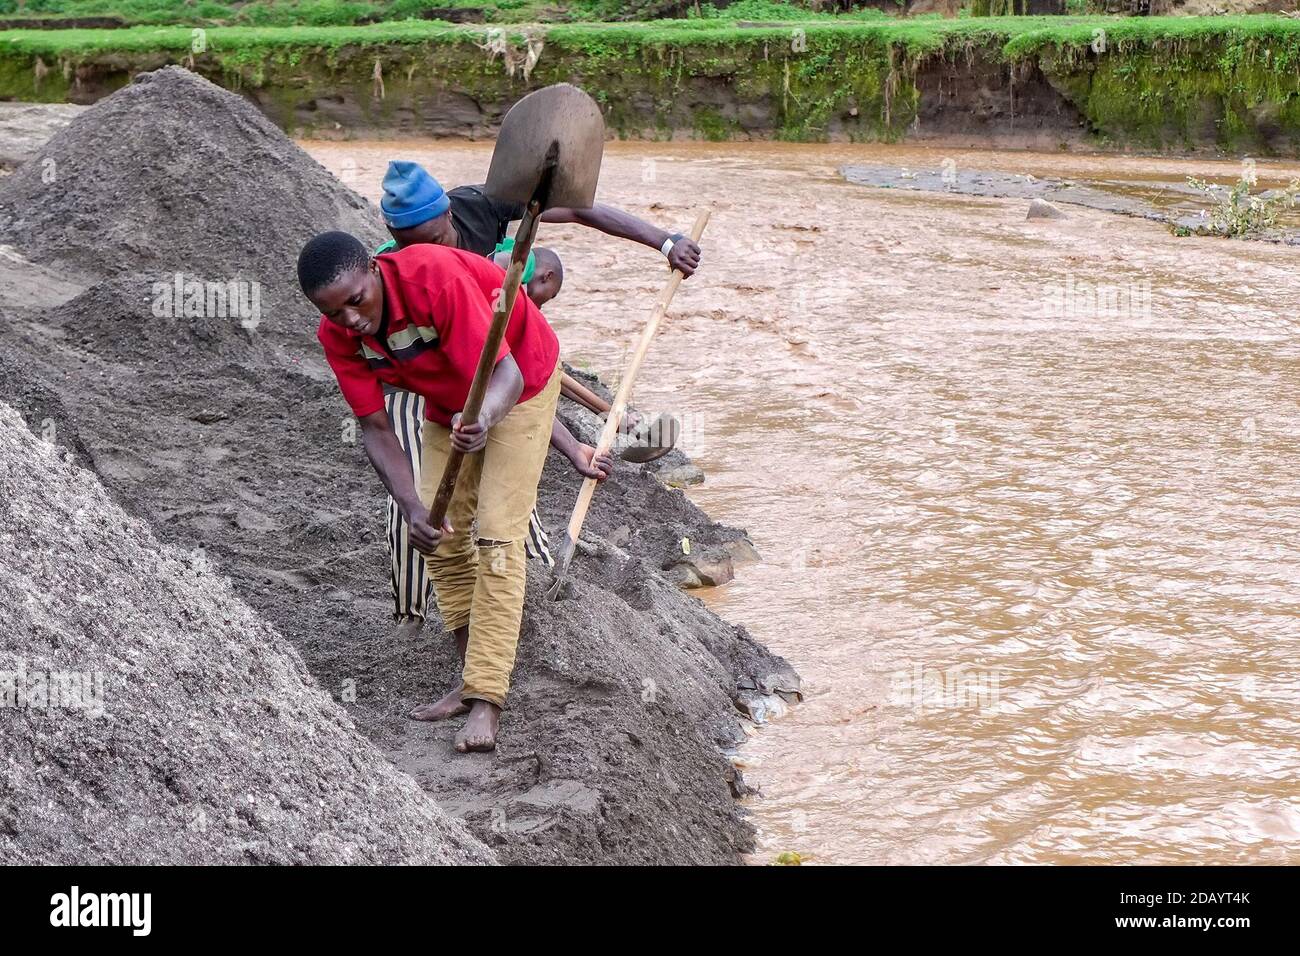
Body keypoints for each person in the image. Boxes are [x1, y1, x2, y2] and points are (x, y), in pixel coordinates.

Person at [300, 230, 560, 752]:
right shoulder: (339, 338)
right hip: (449, 402)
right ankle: (469, 677)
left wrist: (485, 417)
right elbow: (375, 428)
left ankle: (488, 698)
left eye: (356, 301)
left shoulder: (433, 281)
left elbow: (503, 371)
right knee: (437, 536)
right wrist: (412, 506)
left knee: (496, 538)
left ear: (375, 269)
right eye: (334, 313)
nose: (351, 319)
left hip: (521, 384)